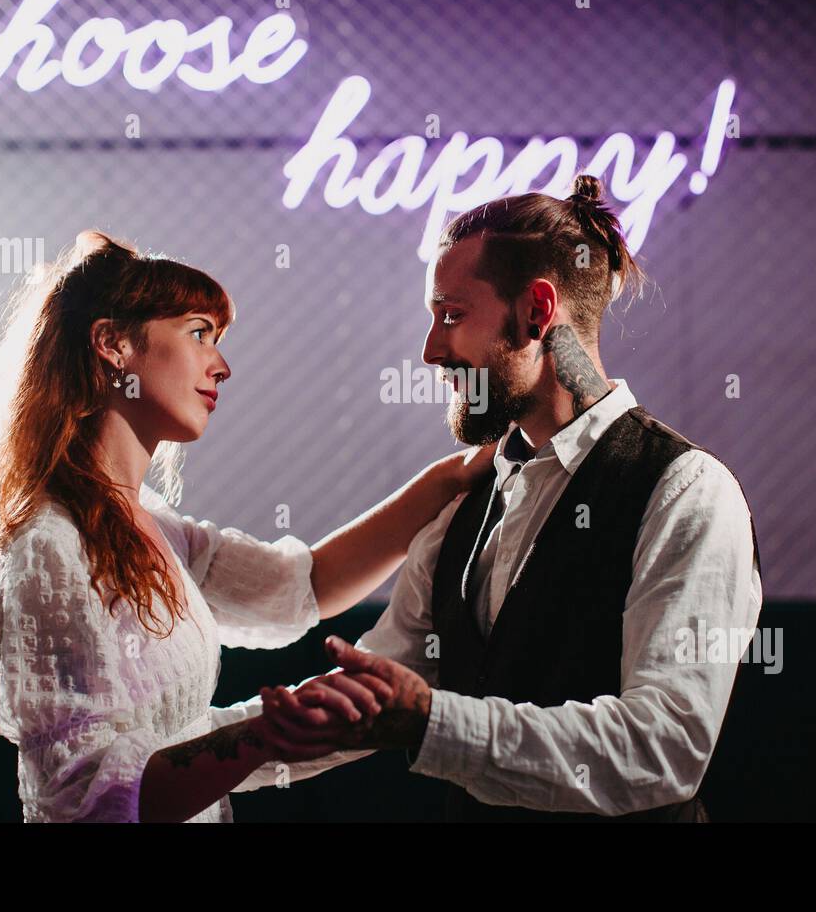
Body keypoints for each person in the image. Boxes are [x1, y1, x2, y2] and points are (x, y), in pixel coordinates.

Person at [245, 174, 765, 821]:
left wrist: (434, 723)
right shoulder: (466, 498)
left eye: (451, 315)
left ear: (538, 313)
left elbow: (663, 749)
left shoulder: (685, 490)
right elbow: (364, 695)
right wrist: (149, 763)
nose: (432, 350)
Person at [0, 230, 492, 823]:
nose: (222, 366)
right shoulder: (49, 548)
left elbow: (300, 587)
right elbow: (92, 800)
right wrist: (267, 734)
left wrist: (452, 479)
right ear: (112, 344)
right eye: (199, 332)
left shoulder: (152, 523)